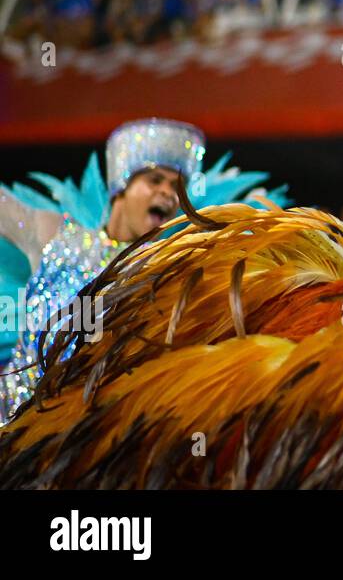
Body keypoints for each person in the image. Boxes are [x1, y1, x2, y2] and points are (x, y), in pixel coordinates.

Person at [0, 118, 284, 421]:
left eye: (178, 187)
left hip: (85, 444)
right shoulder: (56, 235)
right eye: (155, 180)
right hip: (10, 424)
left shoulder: (165, 270)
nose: (169, 194)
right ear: (121, 186)